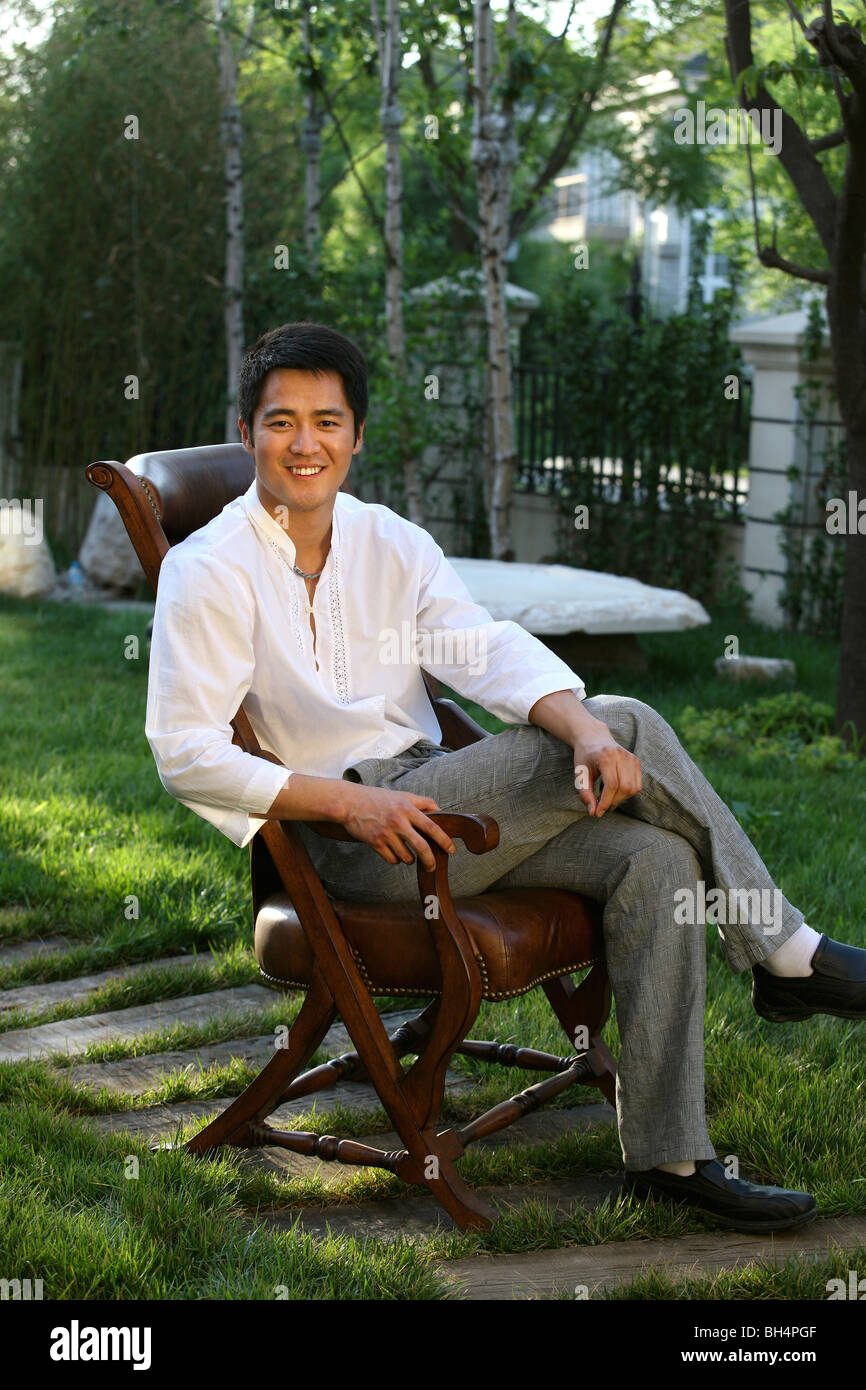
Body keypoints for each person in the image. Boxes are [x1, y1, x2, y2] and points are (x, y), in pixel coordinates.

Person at [146, 320, 866, 1233]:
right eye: (281, 421)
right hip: (352, 844)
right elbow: (186, 750)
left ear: (357, 436)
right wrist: (349, 801)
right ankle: (785, 953)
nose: (304, 443)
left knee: (657, 863)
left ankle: (671, 1154)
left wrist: (579, 734)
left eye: (327, 421)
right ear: (247, 430)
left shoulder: (387, 540)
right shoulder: (208, 569)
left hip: (446, 800)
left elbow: (483, 651)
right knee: (629, 718)